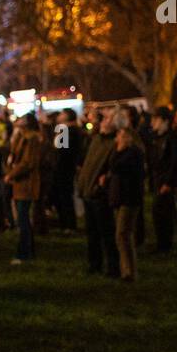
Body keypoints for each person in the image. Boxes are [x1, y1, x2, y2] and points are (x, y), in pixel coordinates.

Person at [77, 109, 120, 278]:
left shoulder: (115, 142)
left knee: (107, 232)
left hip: (100, 193)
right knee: (92, 232)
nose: (103, 121)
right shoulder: (96, 139)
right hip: (89, 191)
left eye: (108, 119)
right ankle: (94, 263)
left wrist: (103, 182)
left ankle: (113, 266)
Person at [105, 126, 144, 282]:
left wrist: (118, 151)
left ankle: (129, 272)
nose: (116, 140)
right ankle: (126, 270)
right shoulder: (130, 153)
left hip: (128, 199)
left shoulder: (133, 154)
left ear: (128, 138)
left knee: (123, 234)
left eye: (120, 136)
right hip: (122, 198)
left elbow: (115, 166)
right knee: (123, 235)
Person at [5, 113, 42, 264]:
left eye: (21, 119)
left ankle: (24, 253)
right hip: (20, 184)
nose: (17, 120)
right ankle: (28, 250)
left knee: (23, 219)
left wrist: (11, 174)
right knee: (23, 218)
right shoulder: (21, 137)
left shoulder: (31, 139)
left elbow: (28, 162)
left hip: (26, 184)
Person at [147, 106, 177, 253]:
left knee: (164, 213)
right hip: (158, 180)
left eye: (156, 119)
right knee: (158, 213)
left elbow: (175, 162)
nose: (153, 122)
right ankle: (161, 243)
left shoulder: (172, 138)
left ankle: (165, 245)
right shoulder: (157, 137)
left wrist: (169, 183)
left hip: (165, 182)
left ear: (164, 121)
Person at [50, 108, 82, 230]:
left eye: (62, 114)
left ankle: (68, 224)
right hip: (66, 168)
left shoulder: (65, 130)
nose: (59, 115)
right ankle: (67, 223)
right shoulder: (71, 129)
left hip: (63, 169)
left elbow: (60, 149)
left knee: (64, 196)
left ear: (67, 116)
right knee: (65, 195)